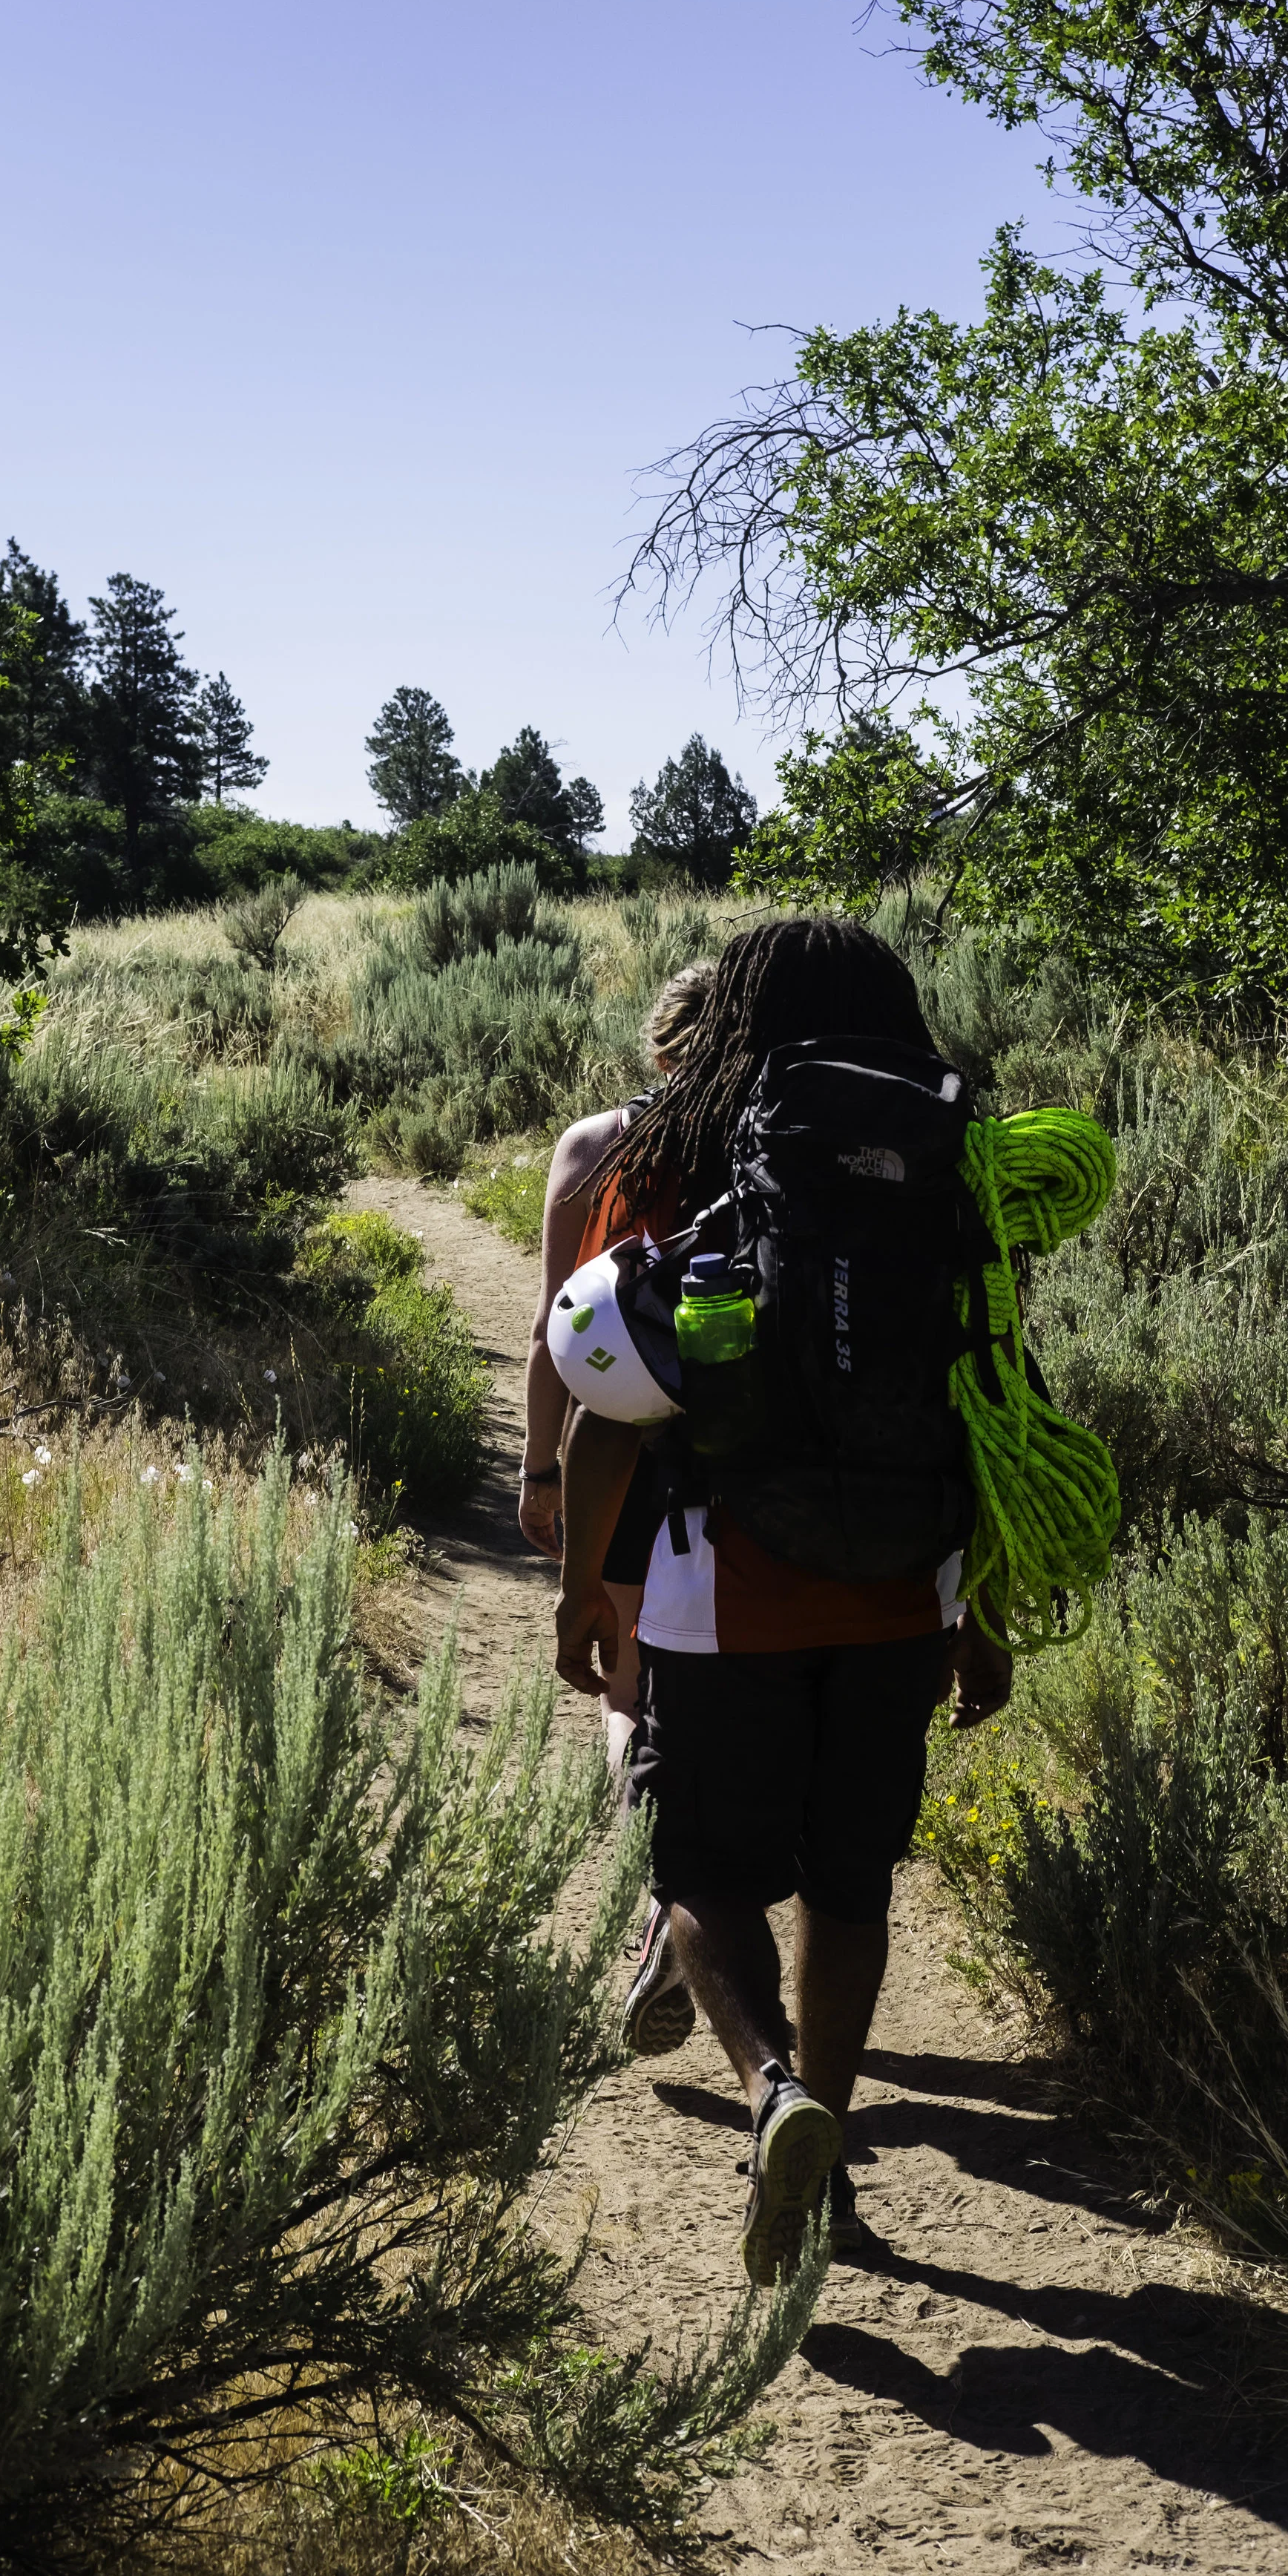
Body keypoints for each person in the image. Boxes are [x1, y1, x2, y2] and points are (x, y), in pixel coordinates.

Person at [553, 917, 1013, 2285]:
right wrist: (978, 1611)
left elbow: (608, 1402)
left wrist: (585, 1587)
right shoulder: (951, 1174)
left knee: (700, 1870)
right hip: (907, 1591)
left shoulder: (677, 1156)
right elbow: (991, 1401)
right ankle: (832, 2127)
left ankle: (772, 2092)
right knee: (850, 1878)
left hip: (721, 1584)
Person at [518, 959, 714, 1775]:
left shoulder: (597, 1145)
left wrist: (541, 1472)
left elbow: (548, 1330)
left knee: (627, 1690)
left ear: (660, 1053)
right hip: (739, 1450)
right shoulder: (775, 1155)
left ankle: (655, 1871)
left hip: (618, 1448)